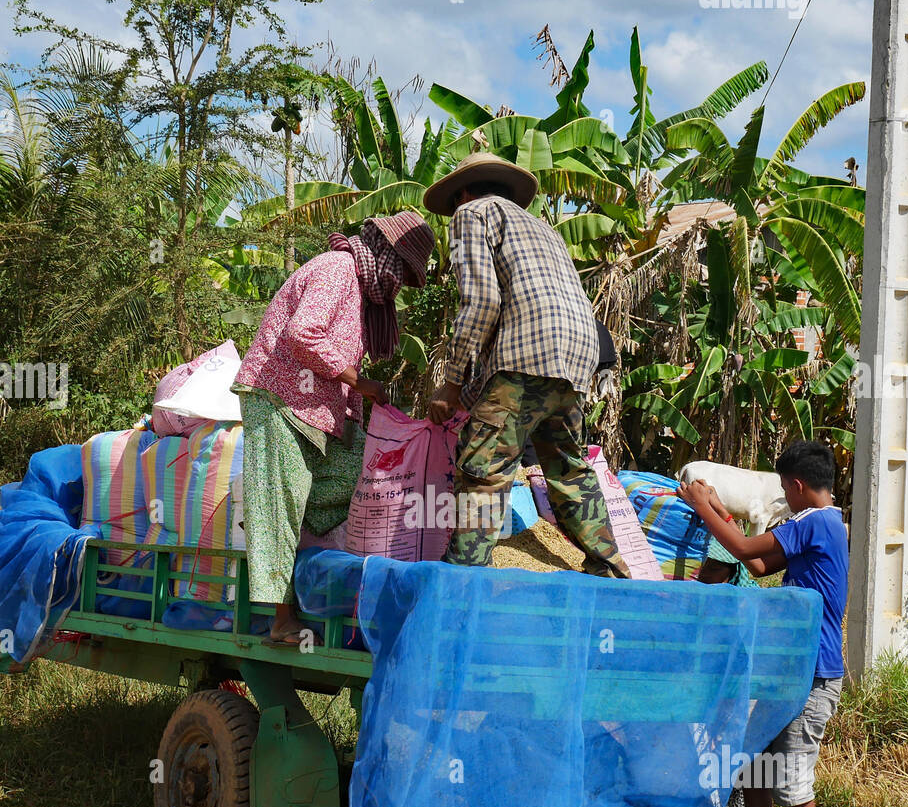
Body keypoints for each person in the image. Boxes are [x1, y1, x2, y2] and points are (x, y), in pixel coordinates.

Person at [422, 152, 630, 578]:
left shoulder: (471, 215)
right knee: (570, 468)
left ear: (463, 193)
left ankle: (465, 578)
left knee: (484, 467)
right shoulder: (544, 229)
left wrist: (453, 380)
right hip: (577, 356)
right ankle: (609, 570)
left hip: (526, 352)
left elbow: (481, 300)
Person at [233, 212, 435, 645]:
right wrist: (359, 383)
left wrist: (364, 417)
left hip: (317, 410)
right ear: (387, 257)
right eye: (401, 275)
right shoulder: (336, 269)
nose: (399, 287)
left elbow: (340, 360)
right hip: (277, 396)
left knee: (360, 475)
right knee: (279, 502)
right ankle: (280, 618)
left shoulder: (360, 293)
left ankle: (271, 523)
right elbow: (302, 334)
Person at [679, 441, 848, 807]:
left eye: (785, 491)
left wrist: (701, 506)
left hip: (815, 675)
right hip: (790, 672)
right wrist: (721, 511)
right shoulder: (824, 524)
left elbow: (742, 550)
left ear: (796, 484)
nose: (784, 499)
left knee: (792, 779)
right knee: (755, 767)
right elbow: (756, 564)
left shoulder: (814, 522)